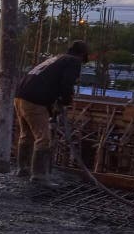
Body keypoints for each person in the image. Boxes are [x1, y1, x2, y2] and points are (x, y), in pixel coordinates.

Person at [14, 40, 88, 186]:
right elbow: (66, 84)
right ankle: (39, 176)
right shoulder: (73, 61)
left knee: (27, 135)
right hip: (35, 99)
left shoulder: (57, 58)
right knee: (43, 138)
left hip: (20, 95)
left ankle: (23, 168)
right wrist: (66, 100)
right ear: (83, 55)